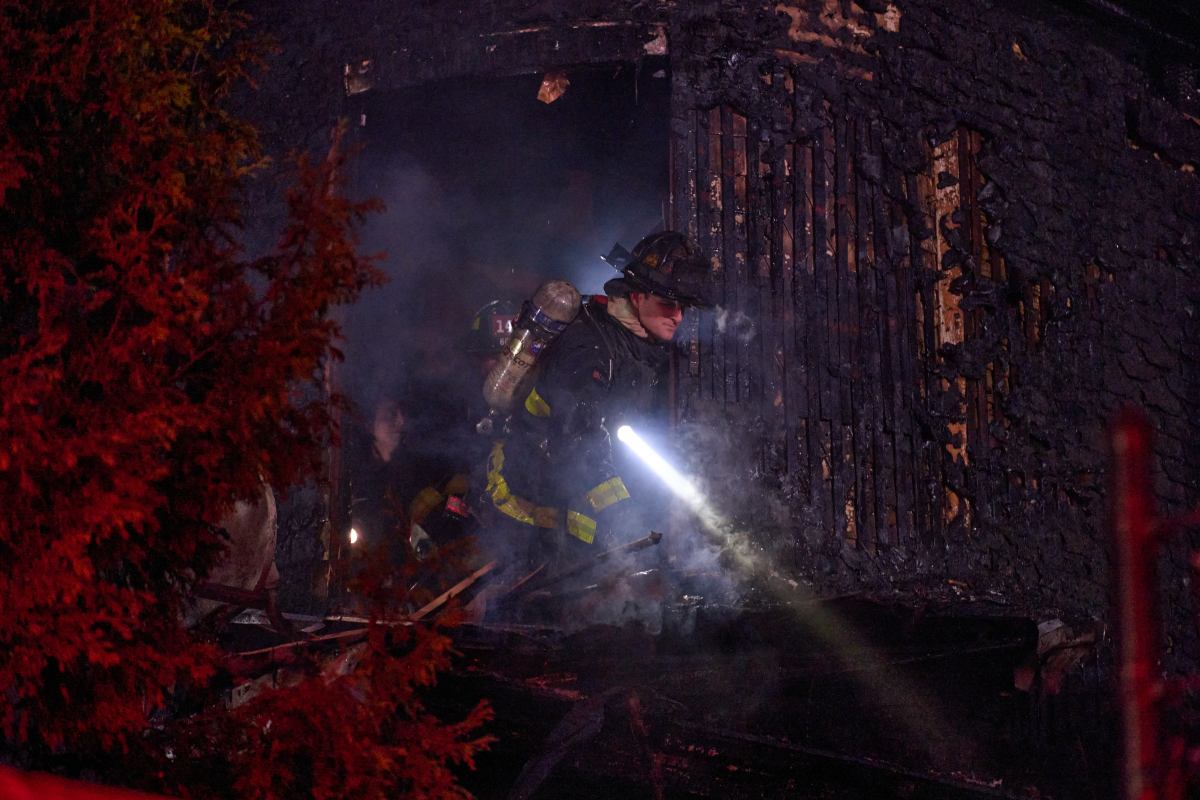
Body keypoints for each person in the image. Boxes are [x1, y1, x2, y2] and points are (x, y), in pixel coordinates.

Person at [481, 231, 712, 572]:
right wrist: (623, 515)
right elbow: (580, 438)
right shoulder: (590, 347)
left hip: (570, 507)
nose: (678, 316)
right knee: (535, 597)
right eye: (668, 303)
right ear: (637, 295)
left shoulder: (638, 346)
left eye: (684, 307)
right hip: (525, 506)